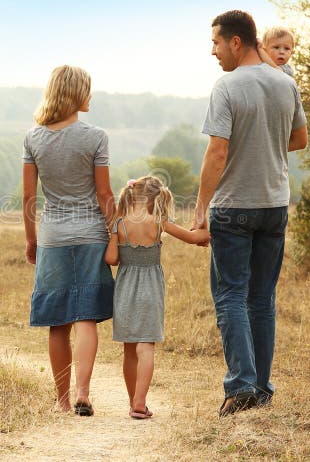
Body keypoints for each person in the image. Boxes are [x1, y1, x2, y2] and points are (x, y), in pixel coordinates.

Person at [193, 10, 308, 416]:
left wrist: (200, 207)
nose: (213, 52)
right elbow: (300, 139)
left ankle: (241, 386)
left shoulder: (227, 86)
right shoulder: (285, 82)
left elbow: (217, 151)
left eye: (216, 43)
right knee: (262, 298)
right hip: (275, 205)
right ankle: (260, 388)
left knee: (230, 296)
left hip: (233, 206)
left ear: (236, 42)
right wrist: (266, 142)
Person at [22, 65, 116, 417]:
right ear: (77, 94)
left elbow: (29, 198)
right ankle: (83, 392)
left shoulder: (33, 139)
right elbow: (105, 194)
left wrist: (32, 240)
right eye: (88, 90)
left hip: (52, 239)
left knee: (57, 322)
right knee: (86, 317)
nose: (91, 97)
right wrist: (116, 234)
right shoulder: (96, 137)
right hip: (92, 235)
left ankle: (62, 401)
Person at [104, 175, 210, 419]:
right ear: (155, 199)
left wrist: (114, 238)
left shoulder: (118, 223)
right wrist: (204, 232)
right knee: (146, 345)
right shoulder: (159, 222)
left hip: (125, 289)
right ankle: (140, 403)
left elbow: (111, 260)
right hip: (150, 288)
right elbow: (194, 238)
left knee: (129, 348)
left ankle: (134, 402)